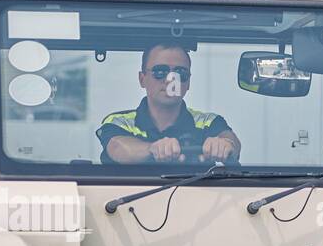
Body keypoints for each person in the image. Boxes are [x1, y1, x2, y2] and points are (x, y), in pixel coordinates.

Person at [97, 43, 241, 165]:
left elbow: (231, 142)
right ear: (142, 79)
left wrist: (226, 145)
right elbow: (118, 148)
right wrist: (152, 149)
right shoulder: (120, 122)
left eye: (180, 73)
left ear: (189, 82)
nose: (171, 80)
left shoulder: (208, 122)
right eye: (160, 71)